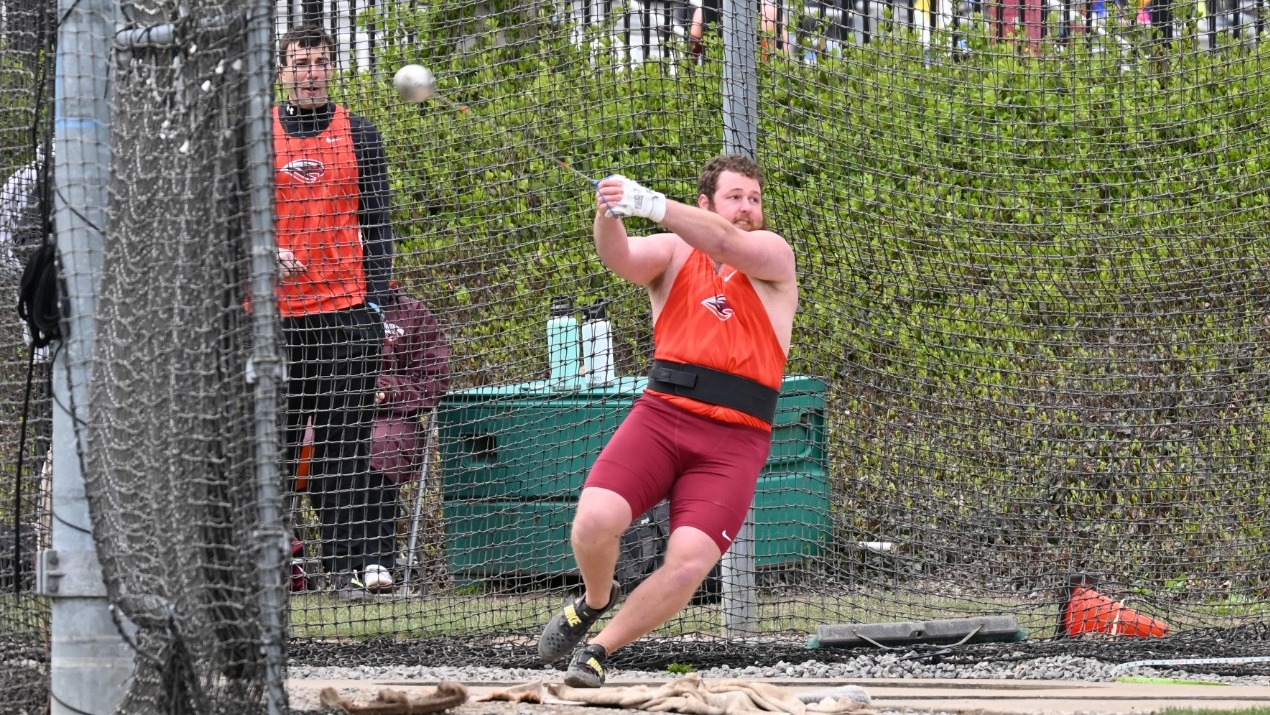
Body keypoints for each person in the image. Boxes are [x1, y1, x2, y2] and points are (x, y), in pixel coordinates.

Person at [537, 155, 798, 687]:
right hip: (663, 416)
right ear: (706, 203)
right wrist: (610, 212)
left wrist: (650, 203)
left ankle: (598, 650)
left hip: (736, 438)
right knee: (594, 521)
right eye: (734, 197)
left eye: (754, 198)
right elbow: (622, 259)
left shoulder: (772, 254)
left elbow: (728, 245)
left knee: (688, 560)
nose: (747, 208)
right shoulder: (677, 252)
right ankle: (595, 598)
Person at [274, 23, 394, 597]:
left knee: (344, 442)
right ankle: (270, 565)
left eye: (320, 61)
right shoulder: (258, 134)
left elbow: (379, 225)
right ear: (283, 71)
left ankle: (344, 566)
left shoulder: (360, 134)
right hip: (274, 319)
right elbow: (233, 216)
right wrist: (262, 251)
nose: (311, 72)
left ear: (332, 67)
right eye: (300, 63)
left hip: (345, 312)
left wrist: (376, 303)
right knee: (274, 444)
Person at [362, 281, 452, 593]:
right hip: (330, 415)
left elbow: (435, 382)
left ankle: (377, 560)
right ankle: (324, 564)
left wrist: (385, 390)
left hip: (395, 419)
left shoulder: (412, 313)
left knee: (377, 446)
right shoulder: (323, 306)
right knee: (302, 446)